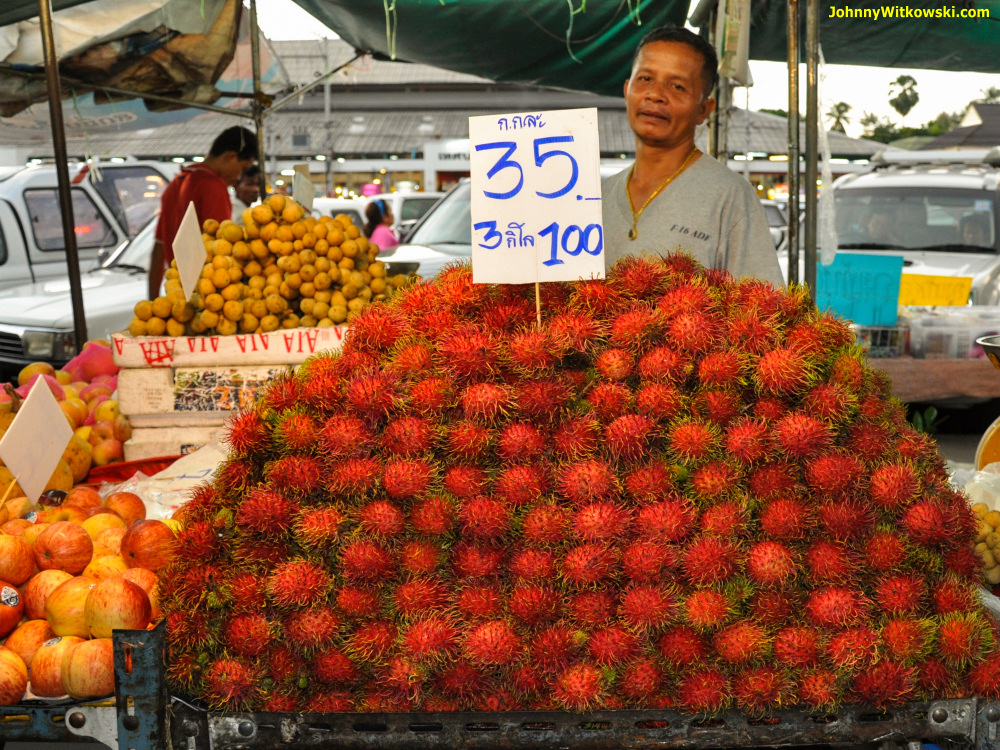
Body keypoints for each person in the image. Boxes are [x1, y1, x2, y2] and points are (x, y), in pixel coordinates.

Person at [602, 26, 784, 287]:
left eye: (677, 86)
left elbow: (766, 308)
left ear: (704, 109)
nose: (655, 95)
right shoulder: (597, 197)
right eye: (645, 79)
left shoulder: (730, 197)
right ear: (627, 89)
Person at [149, 126, 258, 299]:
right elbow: (222, 251)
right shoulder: (213, 187)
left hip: (176, 293)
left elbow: (158, 248)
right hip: (207, 296)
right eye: (243, 168)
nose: (239, 177)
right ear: (230, 157)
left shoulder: (176, 183)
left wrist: (153, 299)